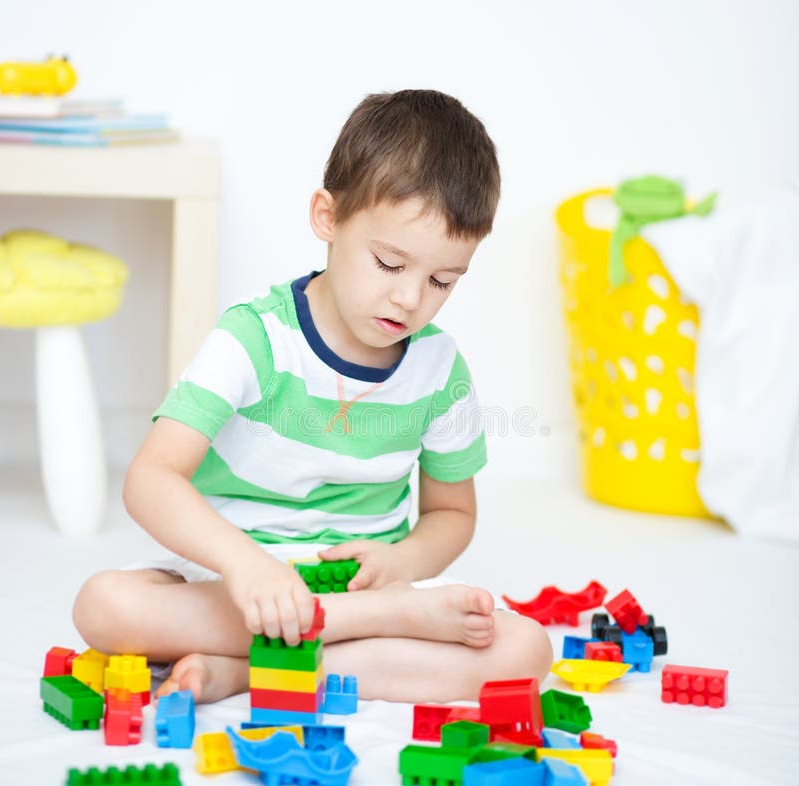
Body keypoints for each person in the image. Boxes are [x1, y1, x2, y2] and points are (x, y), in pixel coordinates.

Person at [72, 89, 553, 704]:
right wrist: (247, 565)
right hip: (237, 585)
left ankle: (248, 671)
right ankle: (361, 636)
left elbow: (452, 515)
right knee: (106, 605)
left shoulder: (439, 369)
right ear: (328, 217)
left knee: (525, 651)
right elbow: (150, 479)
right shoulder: (254, 338)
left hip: (364, 590)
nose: (410, 300)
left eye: (440, 281)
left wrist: (403, 564)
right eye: (388, 263)